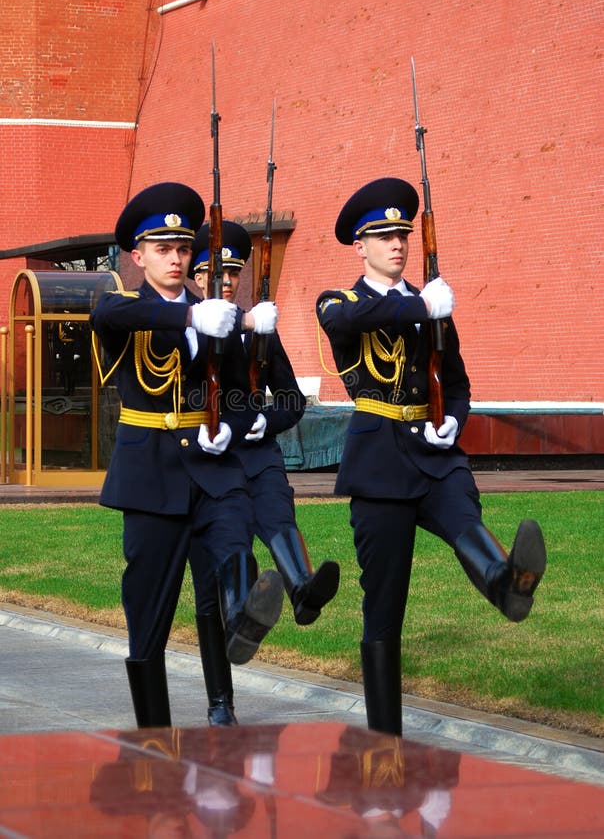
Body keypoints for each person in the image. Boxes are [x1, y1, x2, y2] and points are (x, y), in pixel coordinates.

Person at [316, 177, 546, 736]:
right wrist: (421, 305)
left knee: (465, 515)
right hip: (379, 464)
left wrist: (453, 420)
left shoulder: (433, 305)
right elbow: (348, 324)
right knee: (385, 604)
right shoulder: (341, 302)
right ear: (360, 247)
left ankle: (504, 580)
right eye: (383, 235)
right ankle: (383, 740)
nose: (397, 243)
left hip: (434, 455)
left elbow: (459, 384)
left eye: (402, 234)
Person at [90, 182, 284, 729]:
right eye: (162, 250)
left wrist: (233, 417)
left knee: (230, 552)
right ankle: (154, 734)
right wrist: (190, 320)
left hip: (213, 469)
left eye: (182, 249)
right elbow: (109, 318)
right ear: (138, 256)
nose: (176, 259)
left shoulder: (217, 313)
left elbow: (244, 392)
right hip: (151, 475)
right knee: (149, 615)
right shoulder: (127, 306)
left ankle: (242, 618)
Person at [189, 220, 340, 726]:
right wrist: (234, 419)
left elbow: (293, 399)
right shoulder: (186, 327)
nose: (226, 279)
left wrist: (262, 420)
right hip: (208, 460)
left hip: (256, 453)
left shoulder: (261, 329)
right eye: (215, 270)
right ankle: (220, 703)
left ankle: (301, 590)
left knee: (278, 514)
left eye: (234, 270)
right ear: (195, 274)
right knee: (212, 589)